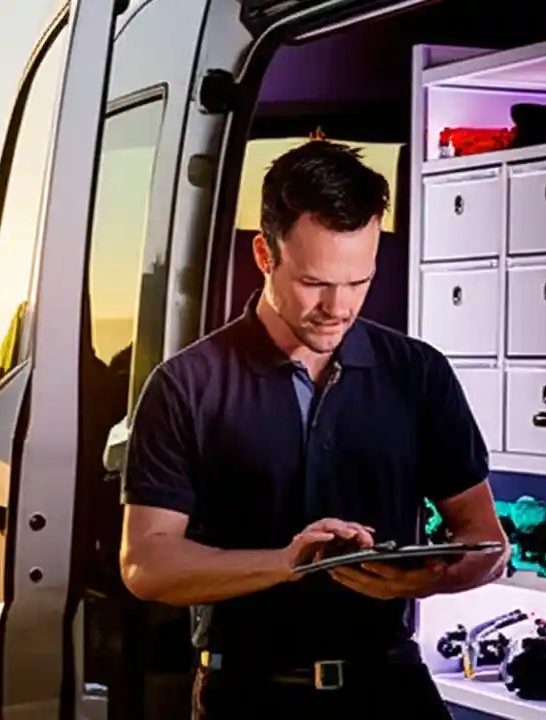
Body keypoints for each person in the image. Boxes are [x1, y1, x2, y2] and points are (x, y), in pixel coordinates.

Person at [118, 139, 510, 718]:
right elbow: (145, 565)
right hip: (248, 698)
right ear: (264, 255)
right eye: (314, 282)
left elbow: (490, 546)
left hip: (392, 690)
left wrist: (416, 581)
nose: (338, 307)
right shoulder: (185, 385)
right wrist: (286, 563)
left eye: (358, 282)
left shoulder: (418, 372)